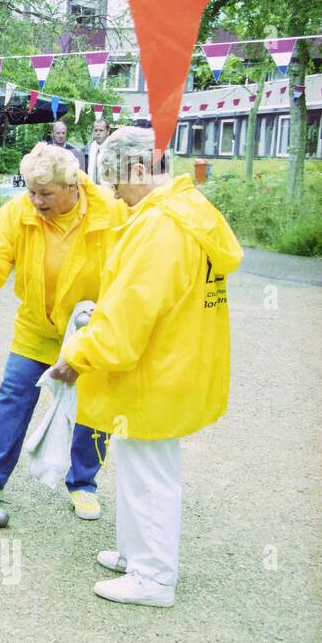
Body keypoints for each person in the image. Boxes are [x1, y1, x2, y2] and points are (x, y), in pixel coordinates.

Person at [49, 127, 242, 607]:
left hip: (156, 370)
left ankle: (154, 577)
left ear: (139, 170)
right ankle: (139, 554)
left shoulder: (158, 225)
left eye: (116, 184)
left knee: (149, 471)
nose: (115, 195)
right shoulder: (191, 211)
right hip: (176, 362)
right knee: (140, 465)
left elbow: (131, 314)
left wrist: (78, 354)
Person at [0, 142, 129, 519]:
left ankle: (83, 483)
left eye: (45, 193)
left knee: (92, 407)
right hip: (36, 327)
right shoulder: (18, 212)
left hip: (90, 330)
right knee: (14, 396)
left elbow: (136, 265)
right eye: (31, 191)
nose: (35, 200)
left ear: (72, 187)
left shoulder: (110, 209)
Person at [85, 118, 109, 184]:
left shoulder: (112, 147)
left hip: (108, 189)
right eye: (95, 130)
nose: (98, 133)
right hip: (93, 188)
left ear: (107, 131)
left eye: (101, 130)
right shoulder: (93, 146)